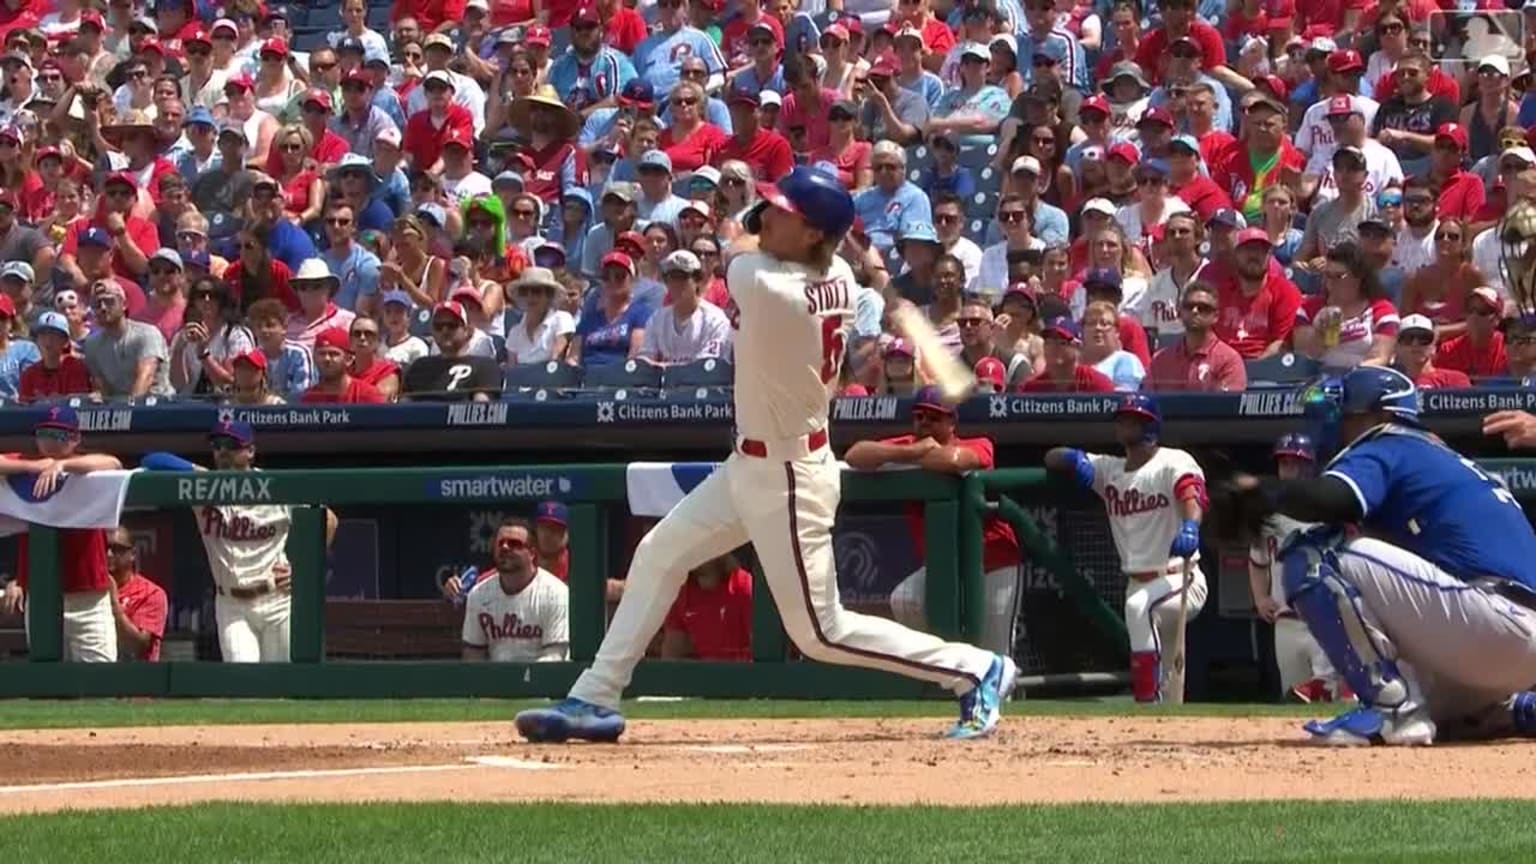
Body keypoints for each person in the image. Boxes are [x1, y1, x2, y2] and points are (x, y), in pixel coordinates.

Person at [514, 167, 1017, 744]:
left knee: (820, 632)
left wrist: (777, 227)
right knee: (658, 553)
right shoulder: (841, 277)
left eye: (785, 212)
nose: (770, 214)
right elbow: (794, 248)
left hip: (790, 475)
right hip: (750, 465)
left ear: (812, 234)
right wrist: (835, 242)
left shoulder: (767, 285)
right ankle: (596, 696)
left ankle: (976, 669)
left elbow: (738, 242)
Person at [1212, 367, 1536, 744]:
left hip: (1492, 620)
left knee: (1313, 551)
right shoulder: (1439, 456)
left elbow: (1337, 499)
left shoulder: (1389, 442)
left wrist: (1264, 492)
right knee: (1435, 716)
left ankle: (1391, 710)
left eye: (1346, 413)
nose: (1335, 423)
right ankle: (1510, 709)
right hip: (1507, 646)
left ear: (1381, 414)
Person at [1045, 394, 1207, 703]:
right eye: (1122, 420)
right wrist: (1072, 459)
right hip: (1137, 582)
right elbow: (1051, 457)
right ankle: (1163, 719)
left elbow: (1192, 495)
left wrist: (1190, 526)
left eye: (1134, 420)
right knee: (1171, 684)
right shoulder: (1109, 469)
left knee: (1138, 608)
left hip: (1180, 578)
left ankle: (1145, 701)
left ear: (1150, 426)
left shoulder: (1173, 461)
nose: (1125, 425)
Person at [846, 387, 1022, 656]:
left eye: (934, 417)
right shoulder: (911, 445)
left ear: (952, 422)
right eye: (919, 416)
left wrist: (909, 455)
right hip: (942, 565)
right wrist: (913, 452)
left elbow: (954, 460)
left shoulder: (979, 443)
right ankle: (941, 665)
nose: (925, 422)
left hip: (994, 561)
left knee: (994, 652)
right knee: (905, 600)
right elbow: (855, 454)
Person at [141, 420, 336, 663]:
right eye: (217, 445)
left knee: (282, 680)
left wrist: (304, 569)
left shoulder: (274, 486)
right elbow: (151, 459)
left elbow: (328, 519)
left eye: (231, 445)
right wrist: (198, 472)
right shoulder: (203, 488)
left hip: (276, 601)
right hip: (231, 605)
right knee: (243, 678)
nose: (223, 451)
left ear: (250, 451)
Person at [0, 407, 125, 663]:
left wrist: (63, 465)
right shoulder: (24, 468)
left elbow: (113, 463)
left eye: (59, 435)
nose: (50, 441)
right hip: (42, 595)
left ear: (75, 439)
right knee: (47, 675)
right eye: (44, 434)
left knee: (100, 676)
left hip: (87, 596)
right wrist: (33, 466)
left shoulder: (87, 469)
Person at [1245, 434, 1345, 704]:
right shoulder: (1269, 516)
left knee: (1330, 697)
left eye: (1297, 463)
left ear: (1311, 466)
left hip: (1324, 621)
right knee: (1292, 699)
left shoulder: (1328, 511)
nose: (1291, 469)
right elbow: (1257, 561)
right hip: (1286, 621)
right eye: (1285, 463)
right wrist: (1260, 598)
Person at [461, 518, 570, 663]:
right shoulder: (479, 594)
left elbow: (555, 656)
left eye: (514, 544)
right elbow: (473, 655)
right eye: (500, 543)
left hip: (541, 675)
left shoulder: (555, 593)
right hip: (495, 675)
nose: (505, 547)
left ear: (532, 553)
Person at [1145, 282, 1247, 391]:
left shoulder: (1228, 360)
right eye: (1189, 306)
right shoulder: (1160, 360)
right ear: (1180, 312)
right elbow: (1148, 397)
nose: (1195, 311)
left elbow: (1230, 401)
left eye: (1203, 308)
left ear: (1216, 316)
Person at [82, 280, 172, 398]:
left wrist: (130, 405)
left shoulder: (146, 334)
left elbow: (146, 377)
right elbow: (101, 386)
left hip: (157, 402)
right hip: (117, 405)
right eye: (97, 304)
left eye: (109, 301)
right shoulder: (91, 344)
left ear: (124, 304)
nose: (103, 308)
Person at [400, 301, 503, 401]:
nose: (445, 331)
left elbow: (481, 406)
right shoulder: (419, 366)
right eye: (438, 326)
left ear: (467, 330)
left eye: (452, 325)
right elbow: (404, 407)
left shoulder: (485, 366)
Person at [659, 554, 753, 661]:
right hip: (702, 670)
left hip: (741, 670)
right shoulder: (681, 593)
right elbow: (672, 655)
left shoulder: (744, 585)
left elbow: (759, 649)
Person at [105, 525, 166, 662]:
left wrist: (113, 602)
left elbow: (136, 646)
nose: (109, 554)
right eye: (105, 548)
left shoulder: (151, 593)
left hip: (135, 672)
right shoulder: (91, 592)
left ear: (132, 554)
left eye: (116, 549)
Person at [1015, 315, 1114, 392]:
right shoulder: (1030, 388)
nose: (1053, 347)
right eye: (1048, 342)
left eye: (1062, 343)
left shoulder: (1097, 384)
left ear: (1078, 347)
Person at [300, 327, 386, 403]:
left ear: (349, 359)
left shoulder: (368, 395)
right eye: (322, 354)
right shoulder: (307, 399)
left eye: (334, 354)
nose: (327, 359)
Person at [1394, 314, 1470, 389]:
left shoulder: (1454, 380)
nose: (1415, 343)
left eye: (1423, 338)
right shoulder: (1389, 381)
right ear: (1396, 347)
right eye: (1407, 338)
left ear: (1434, 346)